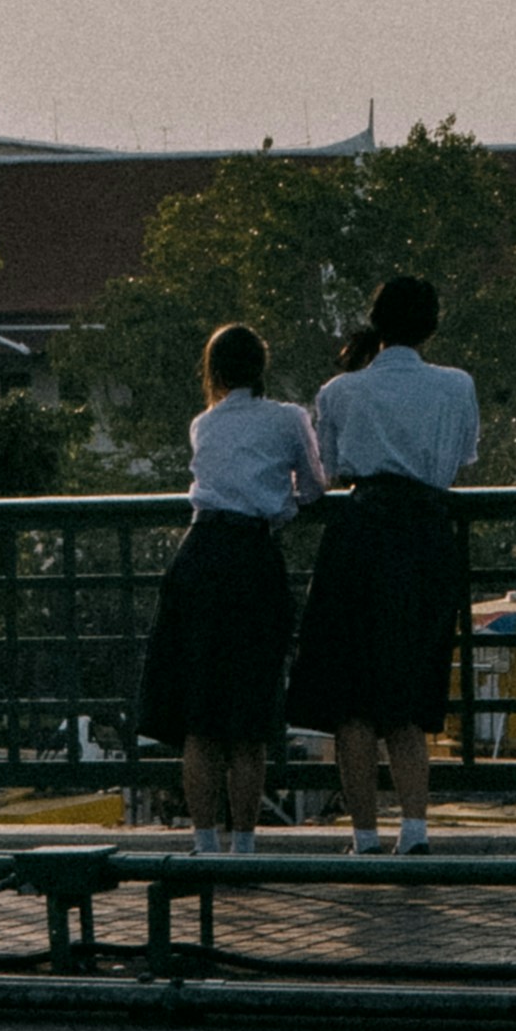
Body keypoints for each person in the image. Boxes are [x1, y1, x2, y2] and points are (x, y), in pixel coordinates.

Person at [285, 274, 480, 853]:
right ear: (431, 326)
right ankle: (415, 829)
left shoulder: (339, 391)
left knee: (352, 696)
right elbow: (462, 455)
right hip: (426, 533)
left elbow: (336, 466)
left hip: (360, 532)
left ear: (377, 322)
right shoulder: (456, 386)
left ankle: (364, 834)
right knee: (410, 689)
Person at [136, 323, 324, 853]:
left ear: (213, 371)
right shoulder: (289, 418)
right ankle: (244, 842)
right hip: (252, 559)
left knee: (201, 717)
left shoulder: (204, 424)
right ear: (262, 368)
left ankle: (203, 841)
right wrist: (282, 503)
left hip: (198, 557)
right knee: (249, 715)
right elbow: (313, 487)